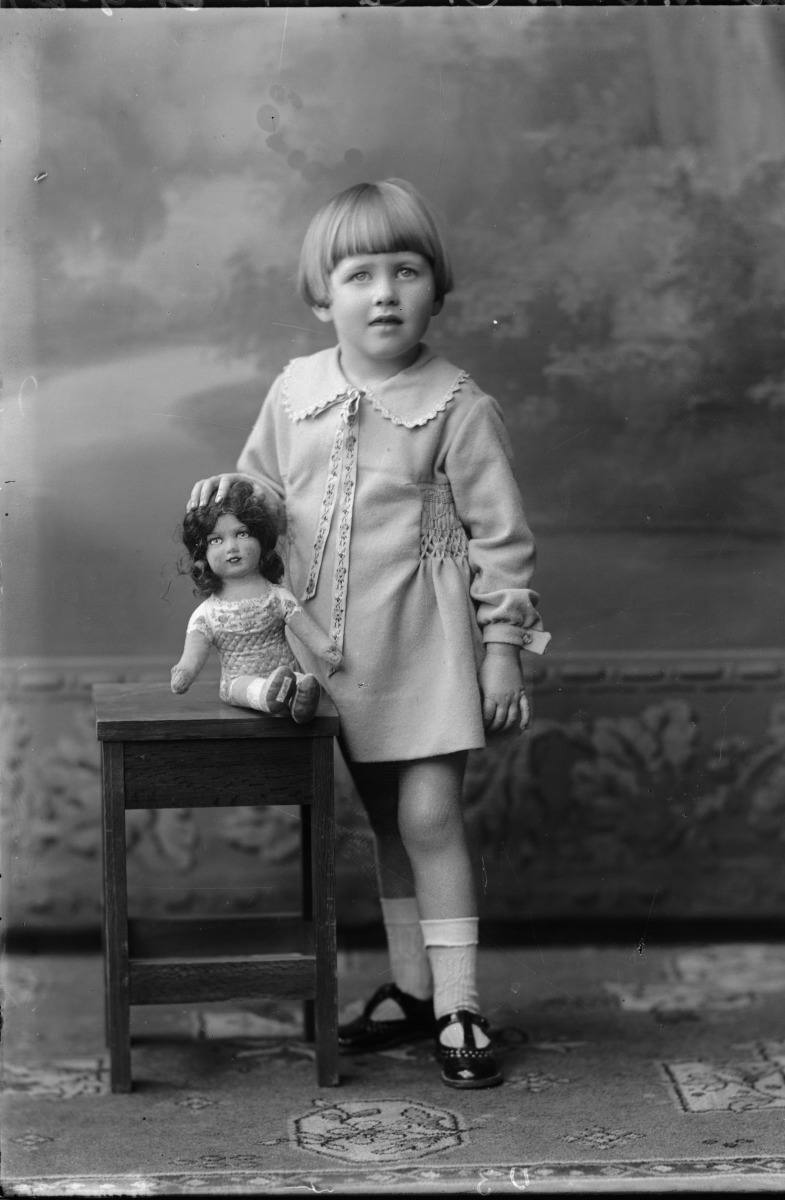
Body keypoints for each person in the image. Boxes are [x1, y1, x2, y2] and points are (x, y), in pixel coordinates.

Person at [186, 178, 549, 1089]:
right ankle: (415, 989)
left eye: (407, 270)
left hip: (423, 642)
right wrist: (223, 496)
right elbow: (261, 490)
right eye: (359, 275)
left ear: (437, 287)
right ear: (324, 296)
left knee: (429, 813)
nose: (384, 292)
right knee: (385, 821)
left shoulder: (456, 403)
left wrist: (502, 648)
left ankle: (462, 1006)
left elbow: (501, 539)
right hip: (323, 645)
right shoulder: (296, 389)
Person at [172, 480, 341, 720]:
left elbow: (305, 629)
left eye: (242, 534)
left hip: (287, 672)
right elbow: (193, 654)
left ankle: (300, 697)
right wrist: (184, 673)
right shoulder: (207, 614)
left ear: (261, 541)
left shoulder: (277, 596)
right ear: (203, 555)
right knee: (249, 688)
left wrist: (327, 649)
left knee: (297, 681)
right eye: (216, 540)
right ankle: (269, 696)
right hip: (238, 681)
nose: (232, 547)